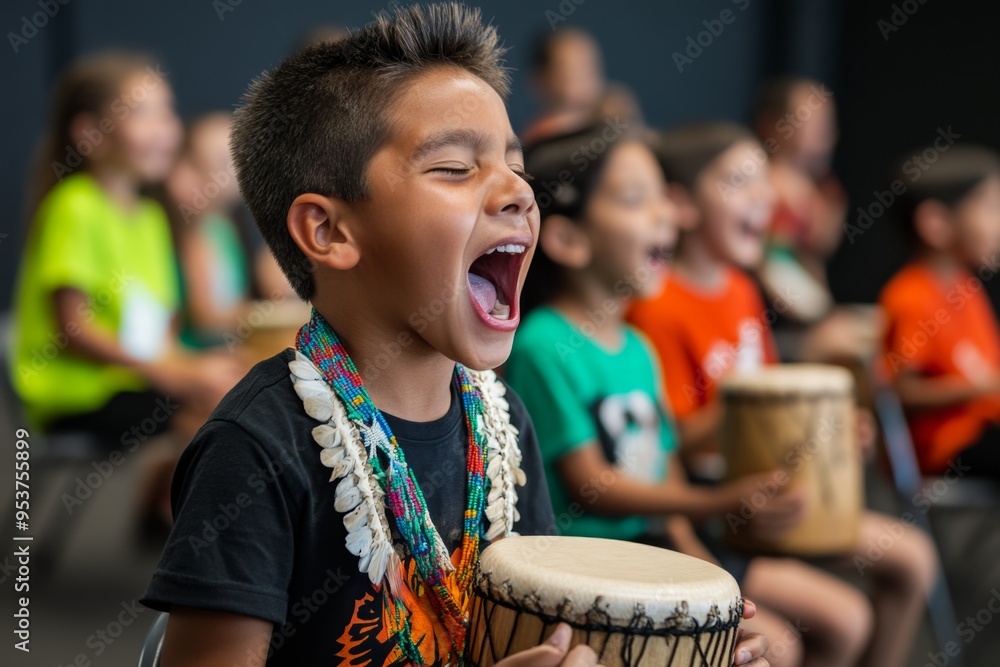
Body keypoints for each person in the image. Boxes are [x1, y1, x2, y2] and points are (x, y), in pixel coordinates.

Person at [138, 5, 770, 666]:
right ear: (330, 231)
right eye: (454, 168)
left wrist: (676, 649)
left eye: (516, 167)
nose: (519, 193)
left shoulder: (503, 425)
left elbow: (542, 639)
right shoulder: (256, 448)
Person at [628, 122, 938, 667]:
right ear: (683, 204)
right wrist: (755, 407)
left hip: (771, 491)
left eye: (763, 181)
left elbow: (775, 417)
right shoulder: (658, 305)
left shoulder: (743, 290)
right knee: (838, 623)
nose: (763, 196)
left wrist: (830, 432)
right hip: (716, 507)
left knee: (912, 558)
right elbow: (672, 443)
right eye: (737, 181)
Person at [505, 124, 805, 666]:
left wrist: (712, 579)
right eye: (635, 198)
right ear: (569, 239)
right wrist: (720, 501)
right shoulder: (543, 345)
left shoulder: (639, 349)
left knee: (775, 645)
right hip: (588, 571)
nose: (666, 214)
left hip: (648, 553)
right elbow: (594, 487)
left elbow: (665, 474)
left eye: (663, 196)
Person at [9, 50, 243, 525]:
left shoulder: (151, 219)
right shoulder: (74, 207)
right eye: (142, 113)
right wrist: (173, 373)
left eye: (166, 110)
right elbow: (73, 330)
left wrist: (193, 364)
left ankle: (175, 516)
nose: (165, 128)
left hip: (134, 377)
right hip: (82, 392)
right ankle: (191, 526)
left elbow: (161, 328)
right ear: (90, 134)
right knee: (216, 397)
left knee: (242, 378)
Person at [879, 145, 1000, 478]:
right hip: (947, 450)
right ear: (935, 222)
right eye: (991, 207)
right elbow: (899, 393)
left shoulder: (967, 288)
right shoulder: (911, 295)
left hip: (983, 433)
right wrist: (980, 388)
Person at [753, 77, 879, 364]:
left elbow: (815, 254)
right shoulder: (767, 190)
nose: (823, 133)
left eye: (826, 122)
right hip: (776, 326)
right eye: (809, 121)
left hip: (808, 314)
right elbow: (774, 266)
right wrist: (821, 317)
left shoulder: (820, 190)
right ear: (773, 124)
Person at [163, 112, 255, 349]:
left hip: (226, 350)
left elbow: (234, 305)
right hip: (193, 355)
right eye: (197, 163)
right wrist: (268, 315)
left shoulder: (224, 228)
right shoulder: (191, 229)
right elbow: (205, 317)